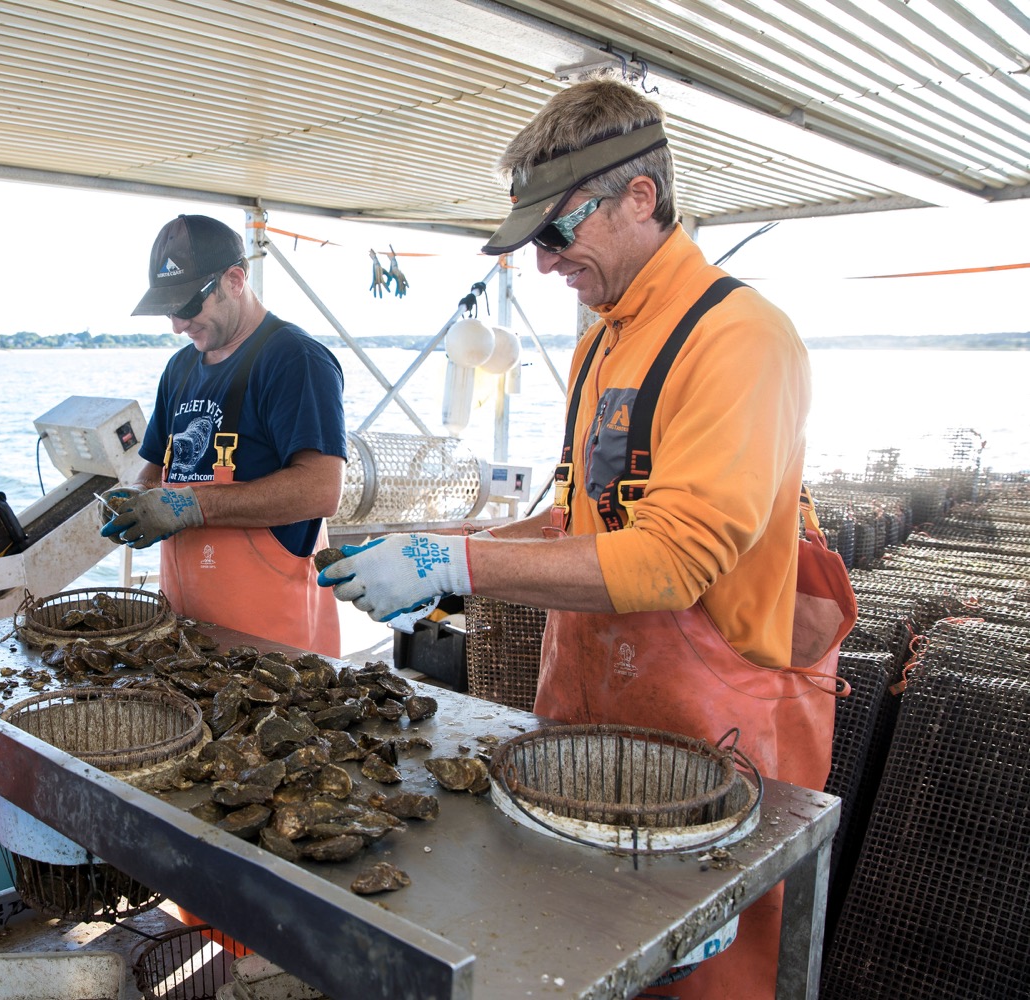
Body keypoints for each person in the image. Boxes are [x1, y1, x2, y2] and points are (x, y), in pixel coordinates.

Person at [319, 79, 856, 999]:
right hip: (586, 723)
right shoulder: (604, 339)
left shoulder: (742, 341)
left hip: (713, 751)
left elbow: (675, 557)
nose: (542, 263)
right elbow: (580, 516)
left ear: (640, 198)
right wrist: (441, 543)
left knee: (704, 983)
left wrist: (454, 564)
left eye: (556, 233)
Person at [102, 214, 347, 655]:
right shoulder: (179, 368)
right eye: (169, 311)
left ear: (235, 279)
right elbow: (155, 468)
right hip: (185, 630)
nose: (178, 325)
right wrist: (133, 497)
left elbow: (321, 489)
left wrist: (190, 505)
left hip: (275, 642)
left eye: (188, 307)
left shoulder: (296, 359)